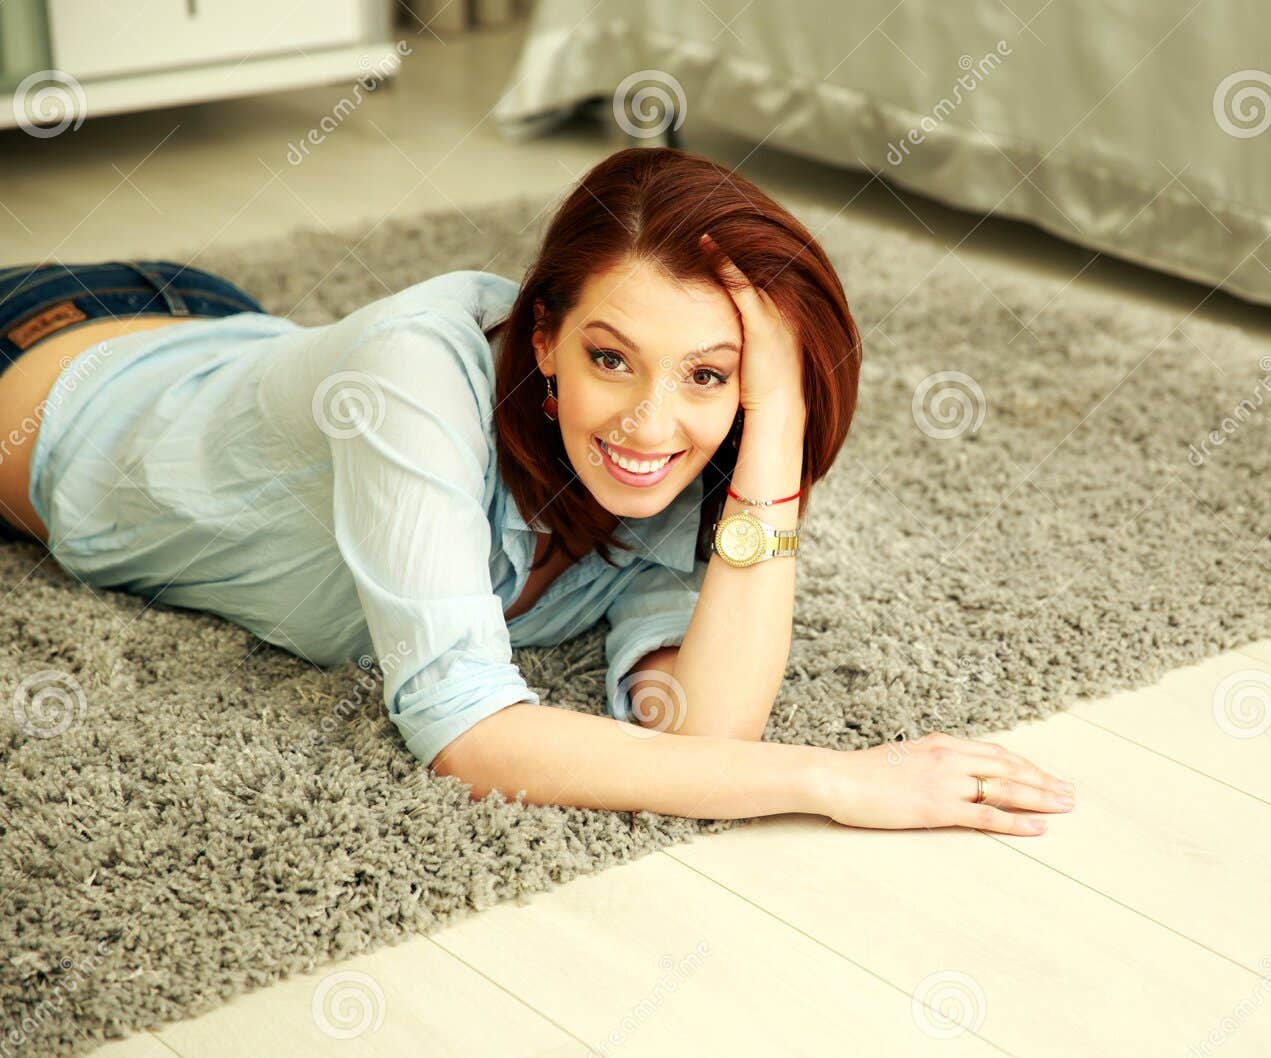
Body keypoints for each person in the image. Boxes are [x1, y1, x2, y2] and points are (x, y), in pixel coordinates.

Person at [0, 147, 1074, 834]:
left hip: (208, 318)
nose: (653, 426)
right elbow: (463, 730)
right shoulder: (414, 378)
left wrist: (777, 433)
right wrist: (834, 779)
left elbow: (704, 732)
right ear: (546, 337)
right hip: (38, 359)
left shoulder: (700, 456)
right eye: (610, 358)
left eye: (708, 373)